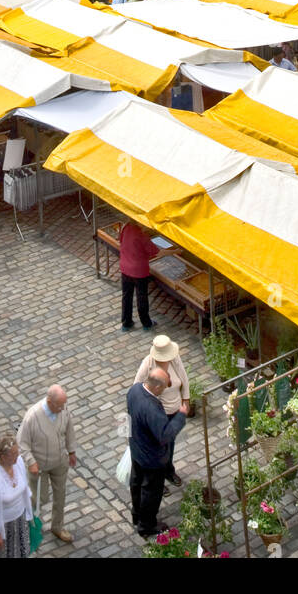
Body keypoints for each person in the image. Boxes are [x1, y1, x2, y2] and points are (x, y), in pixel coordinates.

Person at [126, 367, 187, 537]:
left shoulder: (134, 390)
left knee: (136, 482)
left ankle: (136, 515)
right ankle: (146, 525)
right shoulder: (151, 408)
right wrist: (181, 416)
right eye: (166, 386)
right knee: (151, 492)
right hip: (152, 458)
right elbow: (165, 435)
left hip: (136, 448)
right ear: (158, 387)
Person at [17, 385, 78, 545]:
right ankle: (28, 526)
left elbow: (69, 430)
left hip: (59, 461)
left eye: (64, 405)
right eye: (60, 405)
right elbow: (22, 443)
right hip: (40, 467)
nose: (63, 408)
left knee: (60, 495)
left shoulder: (63, 410)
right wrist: (31, 462)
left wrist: (71, 451)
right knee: (39, 499)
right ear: (50, 402)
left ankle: (57, 526)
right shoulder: (33, 416)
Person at [133, 335, 190, 486]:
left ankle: (168, 471)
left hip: (175, 410)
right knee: (158, 448)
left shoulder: (175, 359)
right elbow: (136, 388)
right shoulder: (148, 364)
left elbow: (184, 379)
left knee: (170, 444)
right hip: (158, 415)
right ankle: (157, 480)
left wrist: (186, 399)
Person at [0, 432, 33, 559]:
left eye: (17, 452)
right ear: (3, 457)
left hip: (19, 521)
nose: (18, 455)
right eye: (14, 454)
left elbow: (24, 486)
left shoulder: (17, 462)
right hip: (3, 526)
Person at [119, 220, 158, 332]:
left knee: (126, 296)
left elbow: (121, 241)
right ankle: (146, 323)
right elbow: (156, 252)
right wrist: (175, 251)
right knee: (141, 296)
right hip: (139, 271)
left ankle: (126, 322)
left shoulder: (126, 227)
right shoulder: (142, 235)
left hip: (125, 267)